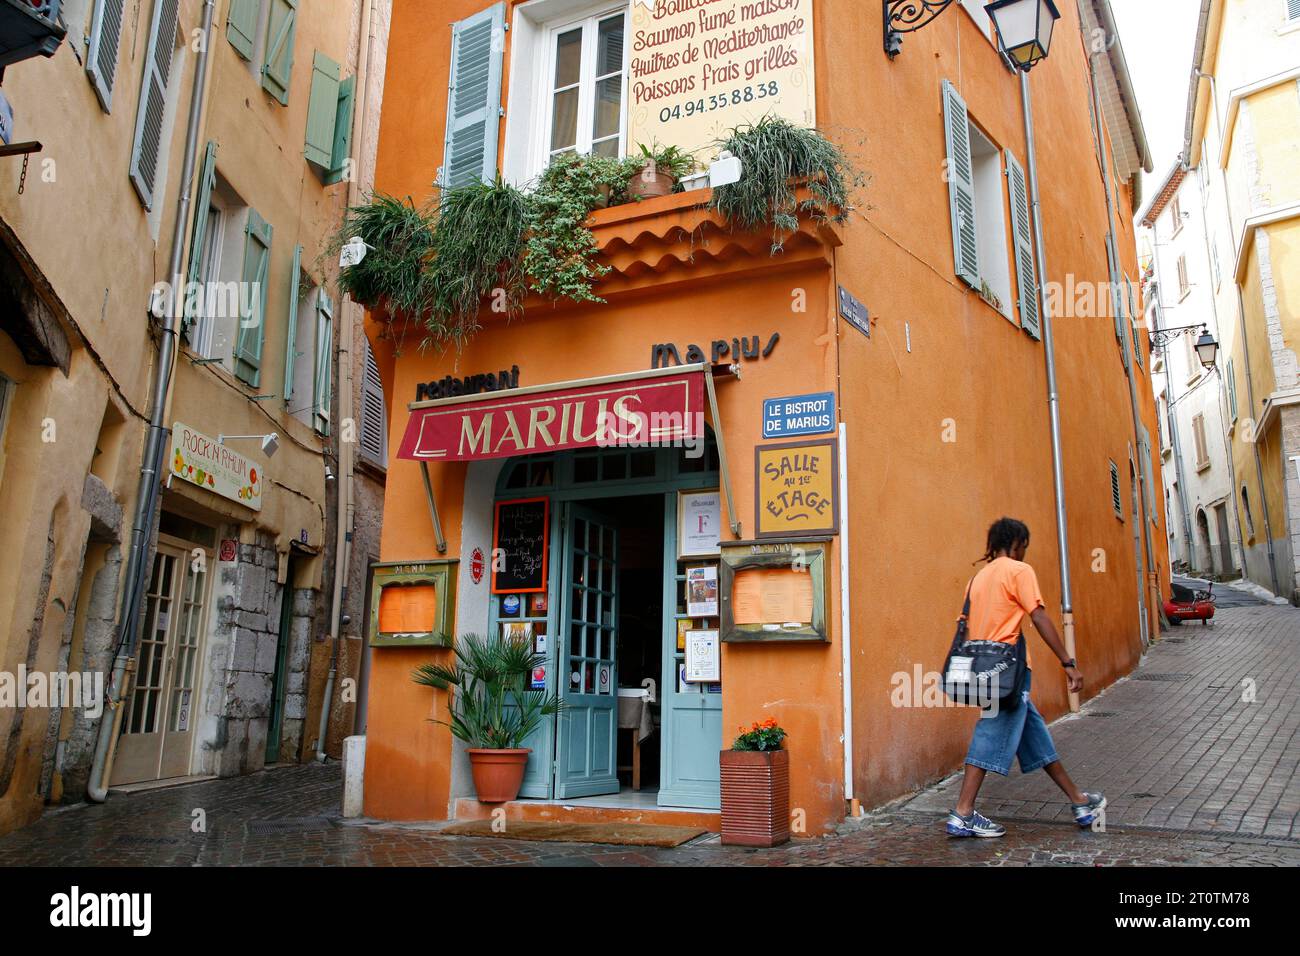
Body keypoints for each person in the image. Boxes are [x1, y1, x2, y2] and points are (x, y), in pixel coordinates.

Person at [945, 517, 1107, 838]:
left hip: (984, 671)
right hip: (1009, 673)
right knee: (991, 730)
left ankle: (1079, 802)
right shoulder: (1019, 571)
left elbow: (970, 628)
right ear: (1017, 543)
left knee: (1034, 736)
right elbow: (1039, 615)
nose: (1024, 554)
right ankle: (963, 813)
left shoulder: (977, 579)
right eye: (1024, 548)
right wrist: (1068, 662)